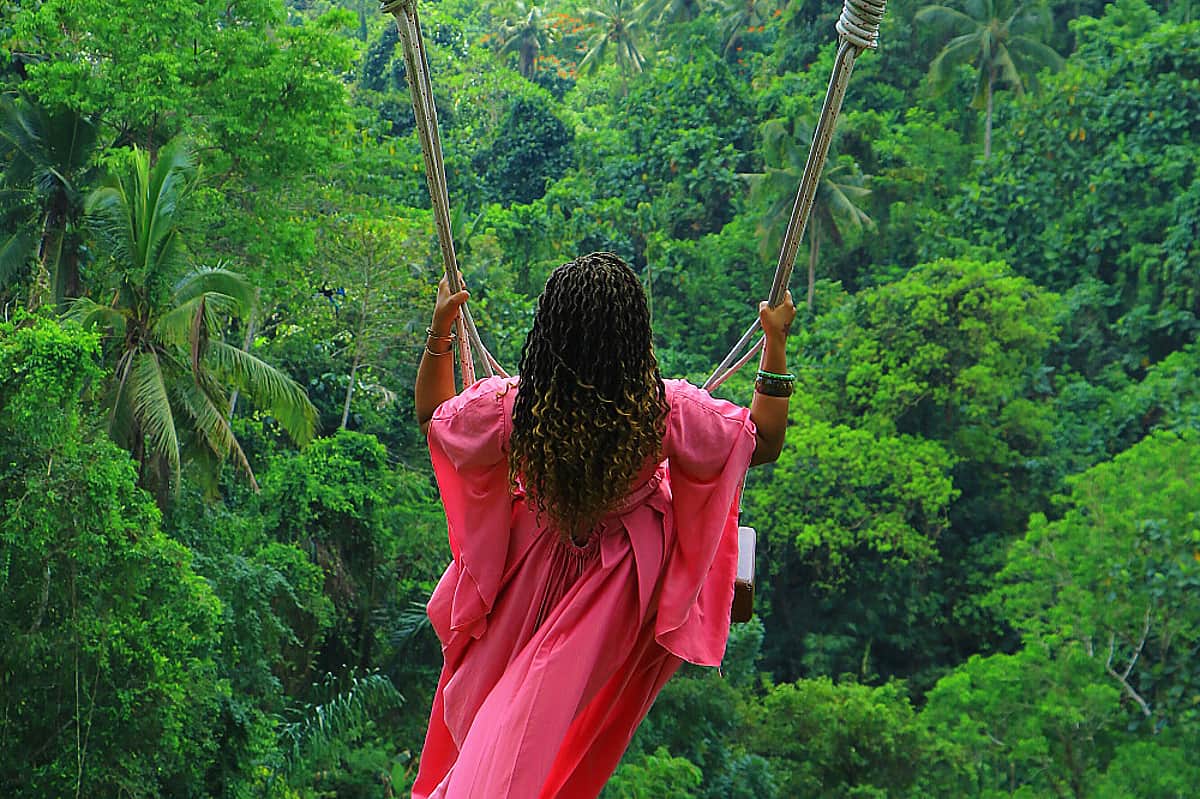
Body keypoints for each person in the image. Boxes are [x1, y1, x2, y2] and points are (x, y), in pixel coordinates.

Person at [412, 252, 796, 798]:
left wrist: (441, 330)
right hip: (619, 578)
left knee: (503, 713)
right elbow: (763, 439)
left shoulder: (517, 405)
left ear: (549, 334)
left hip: (534, 562)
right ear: (635, 336)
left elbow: (435, 417)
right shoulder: (664, 410)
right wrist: (775, 341)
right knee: (515, 714)